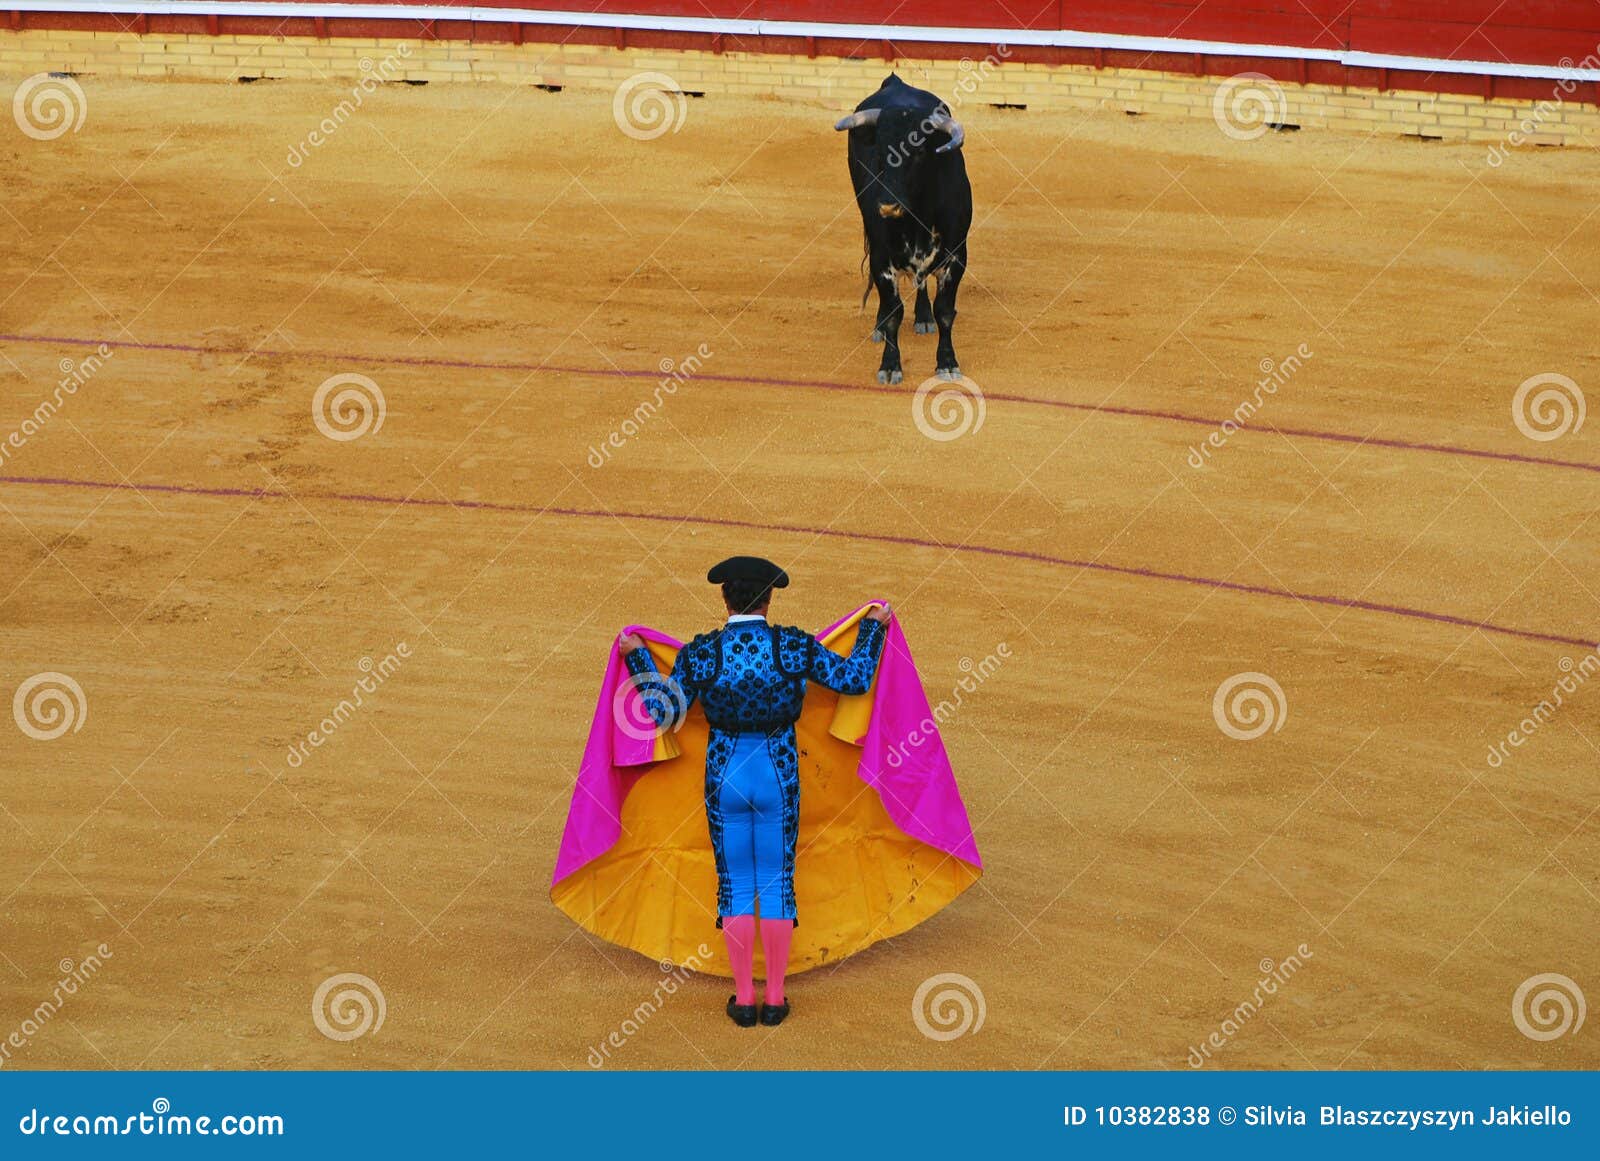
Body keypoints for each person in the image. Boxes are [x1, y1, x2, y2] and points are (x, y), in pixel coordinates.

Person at [618, 555, 891, 1027]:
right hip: (778, 771)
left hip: (725, 772)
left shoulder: (703, 653)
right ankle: (776, 999)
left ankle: (744, 1000)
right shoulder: (791, 647)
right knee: (777, 881)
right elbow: (855, 679)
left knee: (736, 884)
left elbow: (662, 713)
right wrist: (873, 628)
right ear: (769, 598)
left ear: (725, 598)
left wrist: (635, 656)